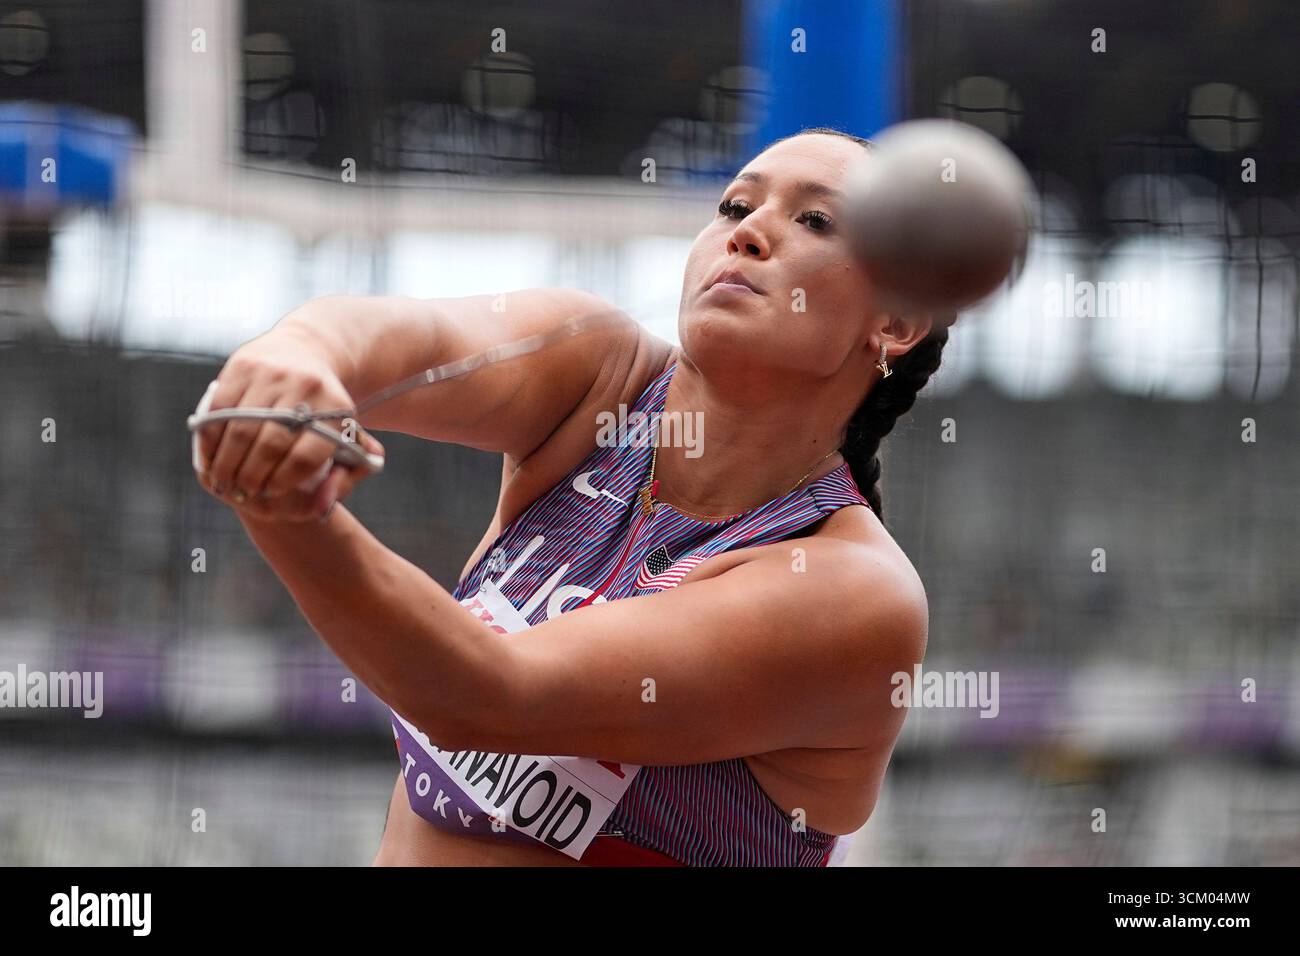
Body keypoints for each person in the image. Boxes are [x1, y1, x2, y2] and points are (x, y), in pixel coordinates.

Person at [193, 127, 952, 866]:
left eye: (814, 219)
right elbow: (416, 337)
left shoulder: (851, 592)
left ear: (893, 323)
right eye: (733, 206)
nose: (749, 231)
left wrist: (287, 504)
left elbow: (485, 699)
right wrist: (294, 361)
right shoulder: (597, 373)